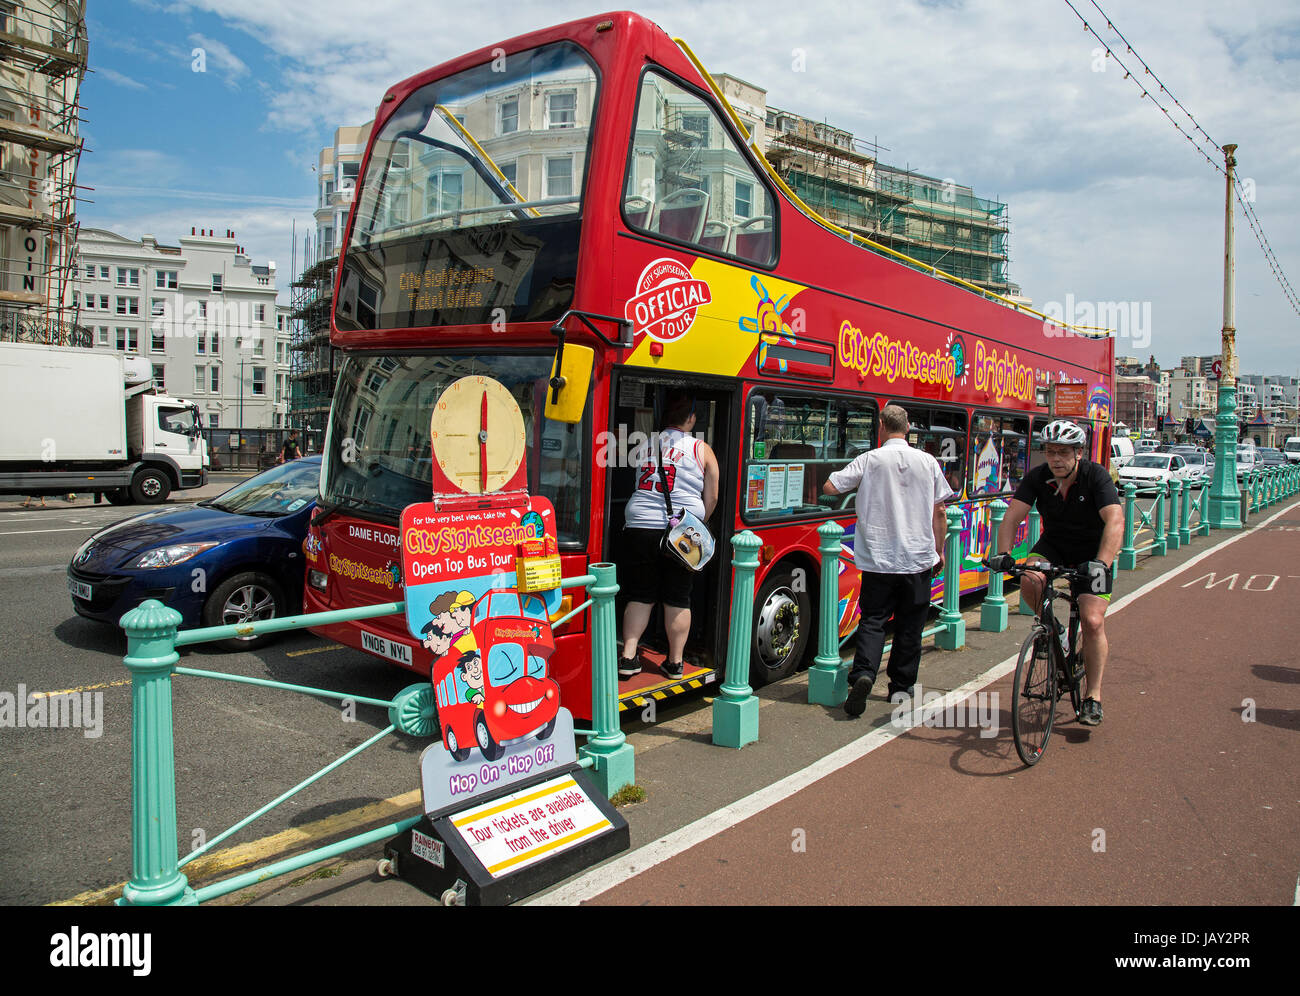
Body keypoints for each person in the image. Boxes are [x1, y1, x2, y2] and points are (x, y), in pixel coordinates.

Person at [987, 419, 1123, 727]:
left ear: (1078, 452)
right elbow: (1011, 517)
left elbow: (1115, 521)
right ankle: (1056, 631)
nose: (1056, 459)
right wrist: (1004, 554)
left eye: (1063, 452)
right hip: (1054, 545)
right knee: (1029, 578)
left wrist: (1102, 562)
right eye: (1050, 452)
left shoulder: (1096, 477)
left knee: (1092, 620)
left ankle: (1093, 697)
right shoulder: (1039, 477)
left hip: (1093, 551)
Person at [822, 404, 954, 717]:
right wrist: (940, 551)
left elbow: (830, 487)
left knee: (873, 621)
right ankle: (901, 688)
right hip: (918, 559)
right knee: (910, 627)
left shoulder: (869, 459)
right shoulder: (927, 461)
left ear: (881, 425)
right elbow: (940, 511)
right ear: (907, 428)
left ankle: (864, 674)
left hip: (878, 560)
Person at [619, 391, 719, 682]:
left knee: (640, 593)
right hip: (681, 532)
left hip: (638, 524)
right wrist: (699, 523)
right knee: (677, 596)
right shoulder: (702, 449)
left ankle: (628, 656)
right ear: (691, 418)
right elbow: (711, 497)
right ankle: (674, 663)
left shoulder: (645, 444)